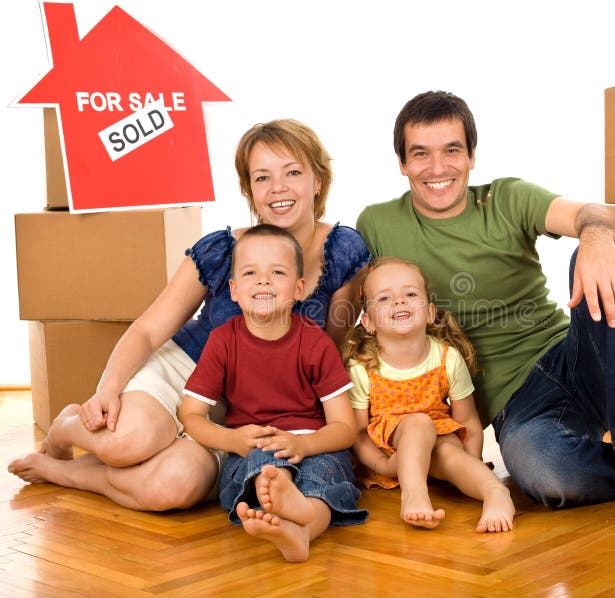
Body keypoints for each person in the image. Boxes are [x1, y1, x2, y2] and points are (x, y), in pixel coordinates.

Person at [356, 91, 615, 530]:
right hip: (515, 404)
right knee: (547, 477)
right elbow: (361, 300)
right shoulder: (378, 224)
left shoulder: (507, 198)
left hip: (573, 357)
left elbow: (596, 214)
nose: (438, 168)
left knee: (602, 255)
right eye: (421, 154)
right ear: (402, 164)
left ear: (472, 156)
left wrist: (595, 241)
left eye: (452, 150)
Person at [8, 119, 370, 511]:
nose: (278, 188)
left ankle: (63, 473)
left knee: (170, 488)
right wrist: (107, 389)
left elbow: (332, 346)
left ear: (318, 180)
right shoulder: (221, 249)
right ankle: (67, 426)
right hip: (187, 368)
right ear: (250, 190)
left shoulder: (342, 250)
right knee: (127, 443)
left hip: (249, 407)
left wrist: (317, 433)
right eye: (262, 178)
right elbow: (148, 330)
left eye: (293, 172)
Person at [178, 224, 366, 562]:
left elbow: (344, 428)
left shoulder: (316, 343)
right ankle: (287, 504)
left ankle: (300, 526)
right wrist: (233, 441)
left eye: (277, 272)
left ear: (299, 287)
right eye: (251, 272)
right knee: (264, 467)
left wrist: (304, 445)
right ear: (233, 290)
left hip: (315, 444)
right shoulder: (223, 342)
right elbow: (190, 414)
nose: (263, 280)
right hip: (256, 446)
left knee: (321, 480)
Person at [341, 257, 515, 532]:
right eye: (385, 298)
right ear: (368, 321)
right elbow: (358, 432)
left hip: (439, 436)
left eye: (410, 294)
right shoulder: (363, 366)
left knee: (448, 451)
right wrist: (383, 465)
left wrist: (471, 463)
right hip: (391, 452)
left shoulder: (447, 358)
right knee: (418, 422)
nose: (400, 302)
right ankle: (414, 495)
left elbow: (468, 420)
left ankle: (495, 492)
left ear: (431, 312)